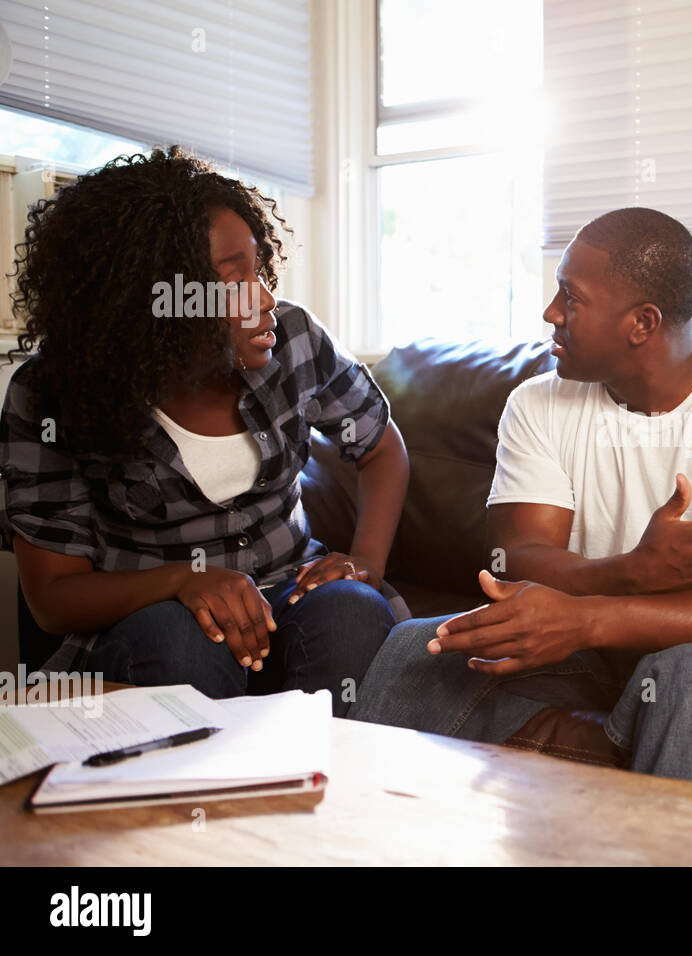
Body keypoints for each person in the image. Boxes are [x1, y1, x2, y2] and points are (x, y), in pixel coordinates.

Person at [352, 206, 692, 792]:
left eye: (571, 298)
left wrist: (588, 619)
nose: (550, 313)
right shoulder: (536, 404)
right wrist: (635, 572)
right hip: (592, 653)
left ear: (642, 322)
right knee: (419, 647)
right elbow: (520, 559)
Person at [0, 147, 409, 717]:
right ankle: (204, 799)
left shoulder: (291, 340)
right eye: (235, 278)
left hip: (290, 591)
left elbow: (381, 446)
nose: (266, 297)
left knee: (353, 611)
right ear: (157, 301)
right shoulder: (54, 394)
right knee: (182, 640)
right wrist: (182, 582)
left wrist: (366, 561)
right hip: (153, 623)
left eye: (260, 267)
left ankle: (325, 791)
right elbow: (51, 599)